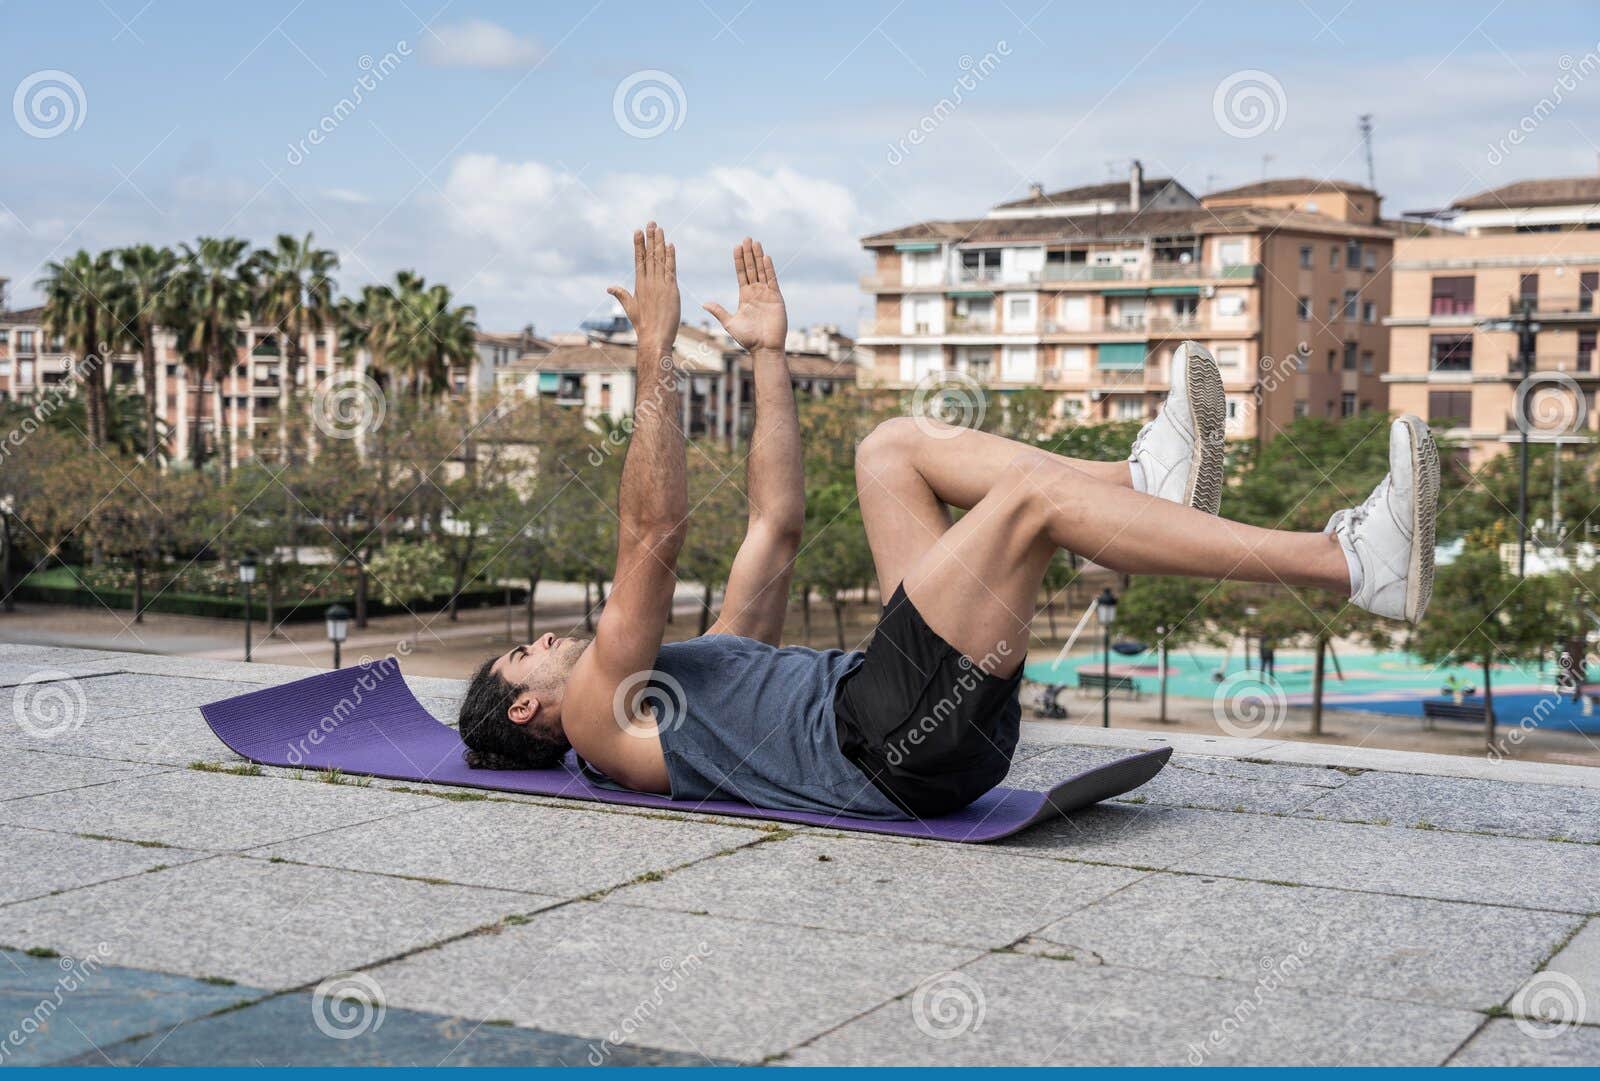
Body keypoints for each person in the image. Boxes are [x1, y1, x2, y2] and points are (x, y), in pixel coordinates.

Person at [457, 223, 1439, 820]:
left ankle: (1145, 475)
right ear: (531, 711)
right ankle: (1347, 561)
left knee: (889, 450)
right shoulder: (598, 712)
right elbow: (649, 536)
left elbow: (777, 519)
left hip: (900, 713)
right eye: (523, 656)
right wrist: (655, 355)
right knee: (1030, 505)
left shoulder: (701, 679)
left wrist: (765, 356)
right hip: (888, 741)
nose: (542, 640)